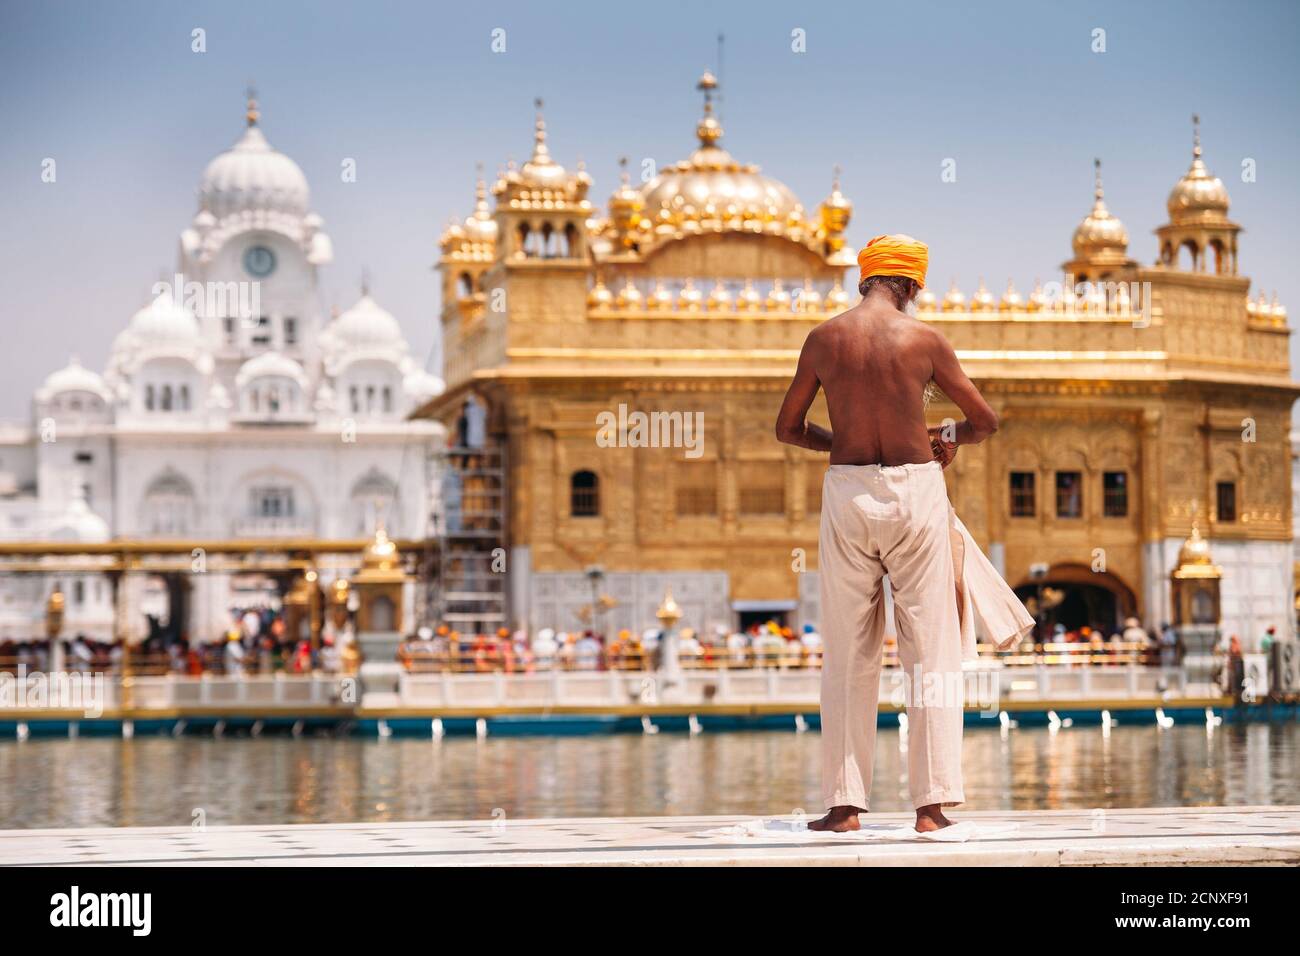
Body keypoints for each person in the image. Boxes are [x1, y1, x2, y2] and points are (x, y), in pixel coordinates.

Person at [776, 233, 1001, 833]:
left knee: (849, 652)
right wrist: (941, 438)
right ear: (910, 286)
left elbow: (789, 428)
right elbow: (984, 421)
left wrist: (840, 444)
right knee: (930, 647)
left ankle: (845, 806)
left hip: (847, 491)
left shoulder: (825, 338)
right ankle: (931, 807)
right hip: (915, 491)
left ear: (866, 279)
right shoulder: (923, 339)